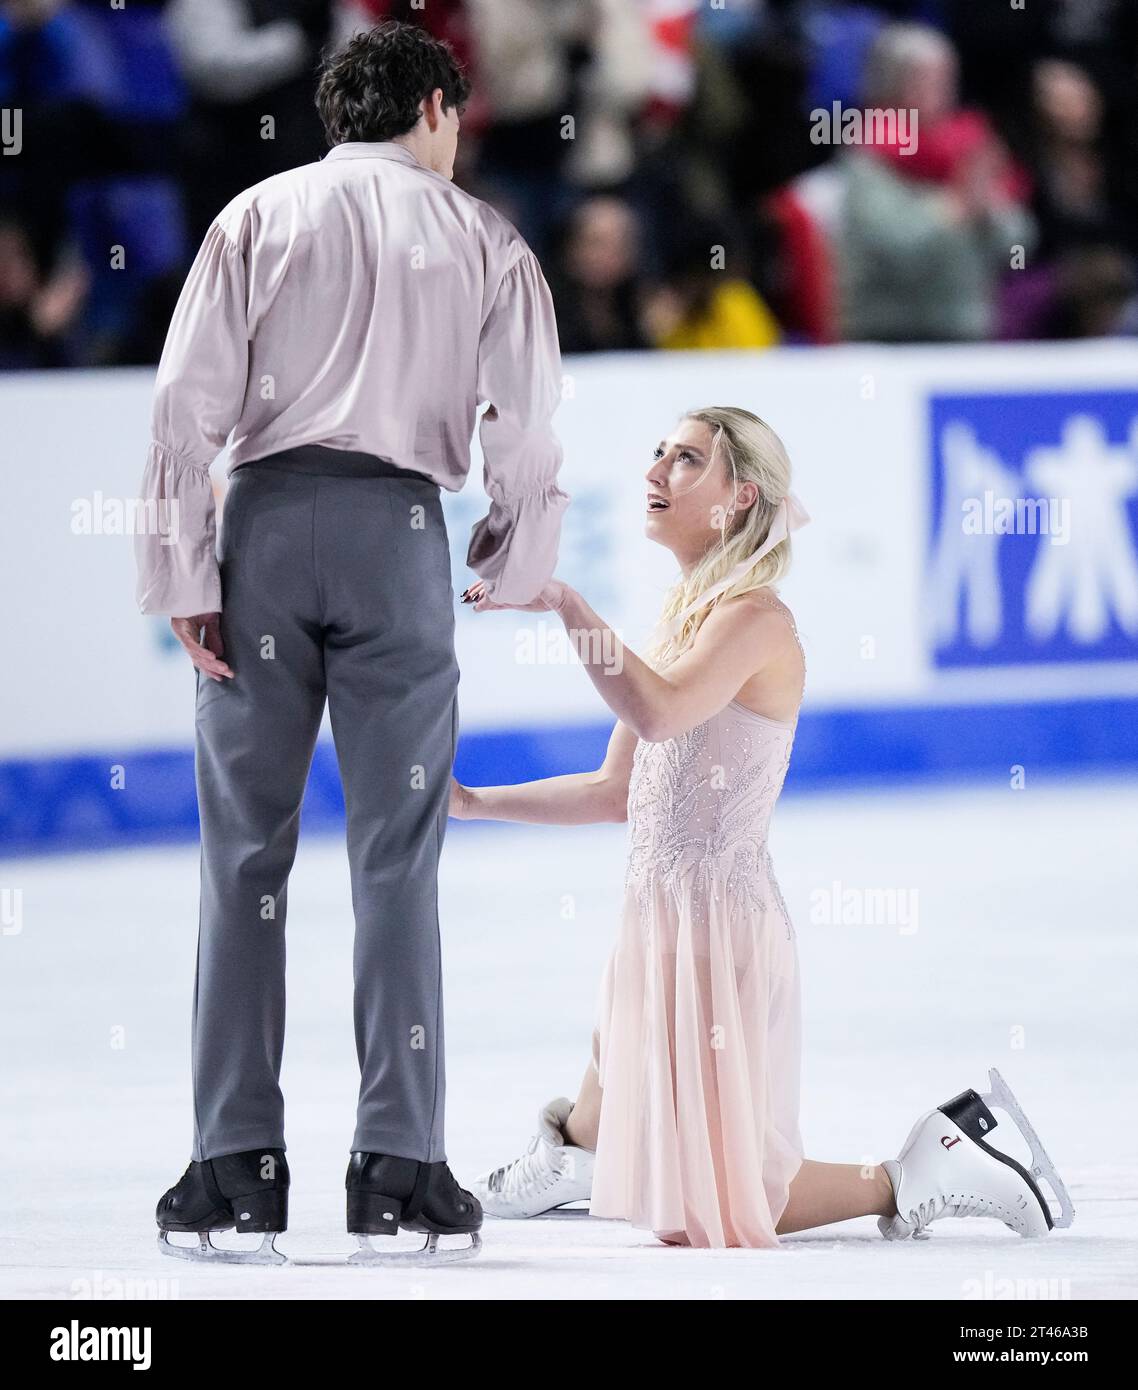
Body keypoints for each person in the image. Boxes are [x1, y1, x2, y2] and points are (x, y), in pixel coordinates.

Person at [135, 20, 569, 1265]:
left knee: (242, 862)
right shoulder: (485, 236)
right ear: (432, 108)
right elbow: (526, 429)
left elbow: (184, 405)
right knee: (396, 860)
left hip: (262, 533)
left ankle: (233, 1165)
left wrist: (180, 565)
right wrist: (514, 560)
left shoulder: (254, 217)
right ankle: (395, 1166)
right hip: (395, 539)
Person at [452, 407, 1074, 1249]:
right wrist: (476, 803)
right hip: (656, 914)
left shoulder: (755, 621)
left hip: (717, 926)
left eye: (685, 461)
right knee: (636, 1125)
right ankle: (578, 1150)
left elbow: (660, 711)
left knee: (718, 1209)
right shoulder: (685, 614)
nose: (656, 472)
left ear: (739, 496)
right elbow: (615, 789)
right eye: (658, 453)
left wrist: (564, 602)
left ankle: (924, 1167)